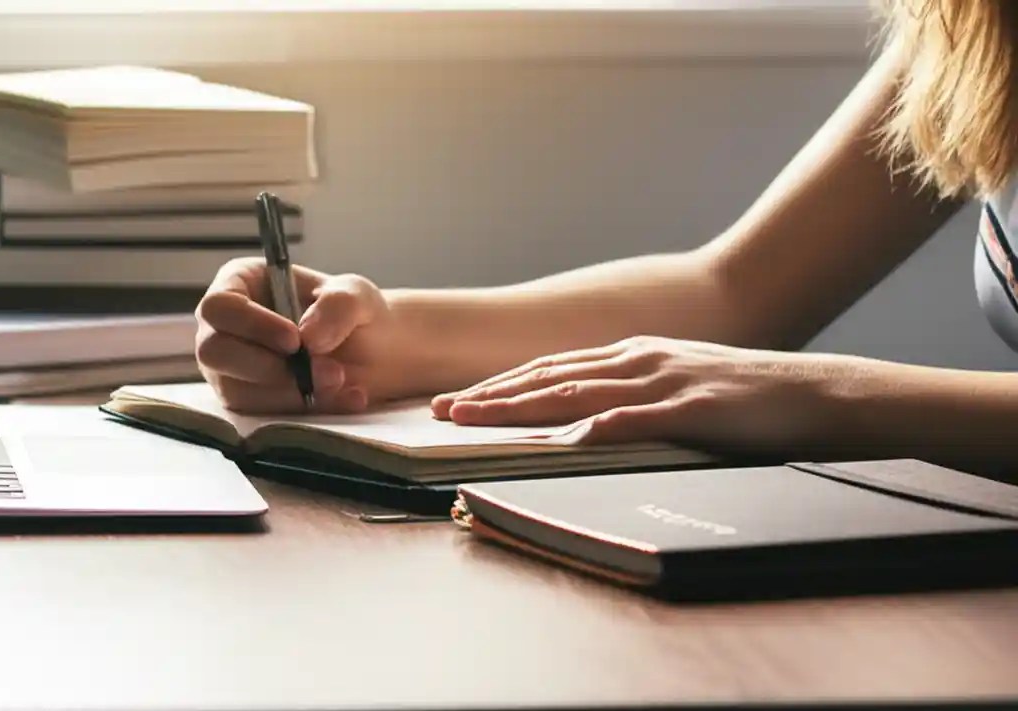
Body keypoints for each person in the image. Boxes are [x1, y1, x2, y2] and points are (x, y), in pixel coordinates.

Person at [194, 0, 1016, 475]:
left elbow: (747, 342)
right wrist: (375, 335)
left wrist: (825, 396)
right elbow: (735, 291)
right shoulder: (976, 28)